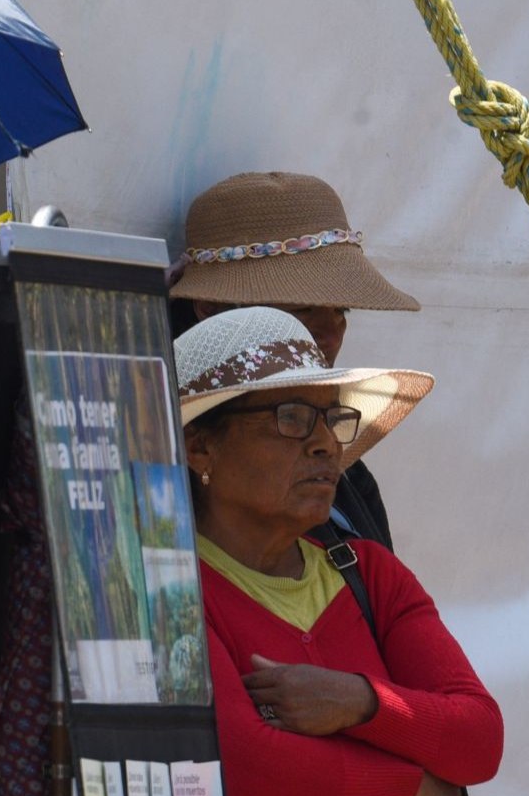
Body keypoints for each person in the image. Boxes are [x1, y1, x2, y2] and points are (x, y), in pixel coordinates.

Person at [175, 306, 500, 796]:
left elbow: (479, 741)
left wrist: (358, 700)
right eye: (291, 417)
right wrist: (415, 784)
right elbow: (247, 766)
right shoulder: (174, 588)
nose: (326, 442)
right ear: (200, 445)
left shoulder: (370, 572)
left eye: (332, 418)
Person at [170, 171, 420, 550]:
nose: (331, 335)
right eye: (302, 311)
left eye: (342, 311)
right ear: (211, 308)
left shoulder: (349, 482)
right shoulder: (156, 483)